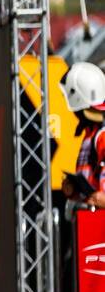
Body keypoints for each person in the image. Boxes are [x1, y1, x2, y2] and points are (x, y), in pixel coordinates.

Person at [61, 61, 105, 208]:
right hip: (90, 222)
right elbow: (91, 189)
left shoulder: (101, 137)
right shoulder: (89, 137)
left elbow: (100, 197)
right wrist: (73, 191)